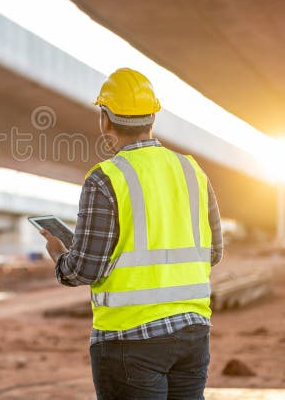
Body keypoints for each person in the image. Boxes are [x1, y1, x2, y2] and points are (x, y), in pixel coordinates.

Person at [41, 68, 223, 400]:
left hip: (130, 340)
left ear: (105, 119)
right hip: (193, 335)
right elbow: (213, 252)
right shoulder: (192, 170)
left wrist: (58, 254)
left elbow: (84, 269)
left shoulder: (105, 178)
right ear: (153, 116)